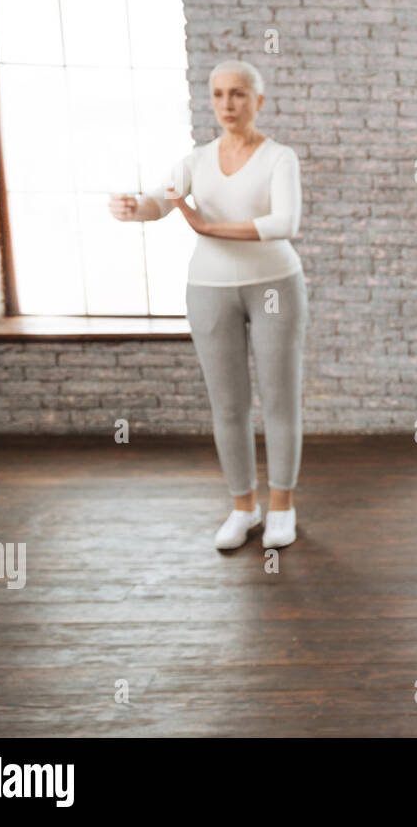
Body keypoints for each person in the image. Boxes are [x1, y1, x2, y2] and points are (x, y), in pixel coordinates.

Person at [108, 59, 308, 551]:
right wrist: (137, 207)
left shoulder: (279, 158)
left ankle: (282, 505)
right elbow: (161, 199)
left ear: (258, 101)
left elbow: (285, 222)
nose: (227, 104)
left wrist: (207, 225)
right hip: (209, 290)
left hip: (274, 285)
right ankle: (244, 507)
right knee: (228, 405)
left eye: (238, 94)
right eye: (218, 94)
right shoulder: (195, 160)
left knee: (280, 401)